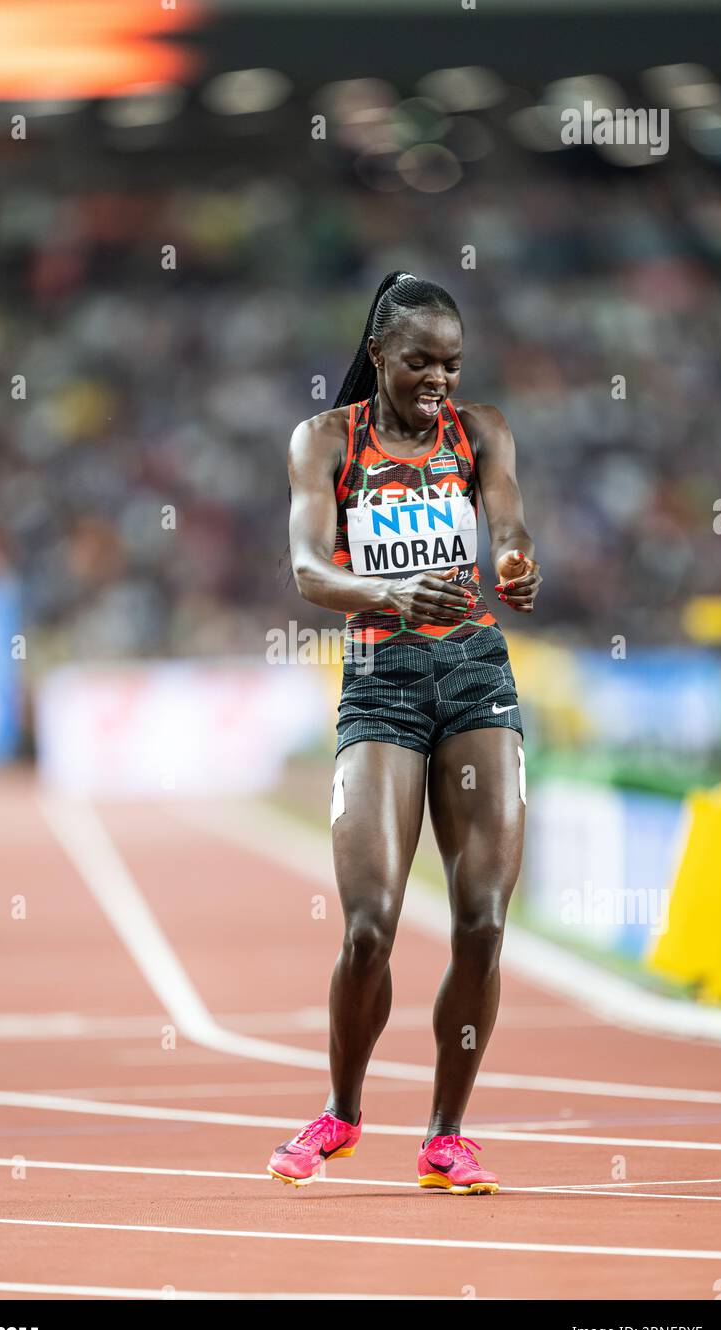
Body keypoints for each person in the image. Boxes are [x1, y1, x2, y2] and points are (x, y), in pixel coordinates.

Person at [268, 271, 541, 1194]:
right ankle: (342, 1112)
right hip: (382, 684)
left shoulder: (483, 431)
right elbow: (308, 568)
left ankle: (446, 1135)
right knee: (370, 927)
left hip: (474, 678)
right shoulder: (324, 442)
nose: (438, 380)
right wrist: (388, 591)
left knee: (484, 920)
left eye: (452, 364)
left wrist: (512, 559)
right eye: (420, 361)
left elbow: (506, 520)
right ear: (379, 352)